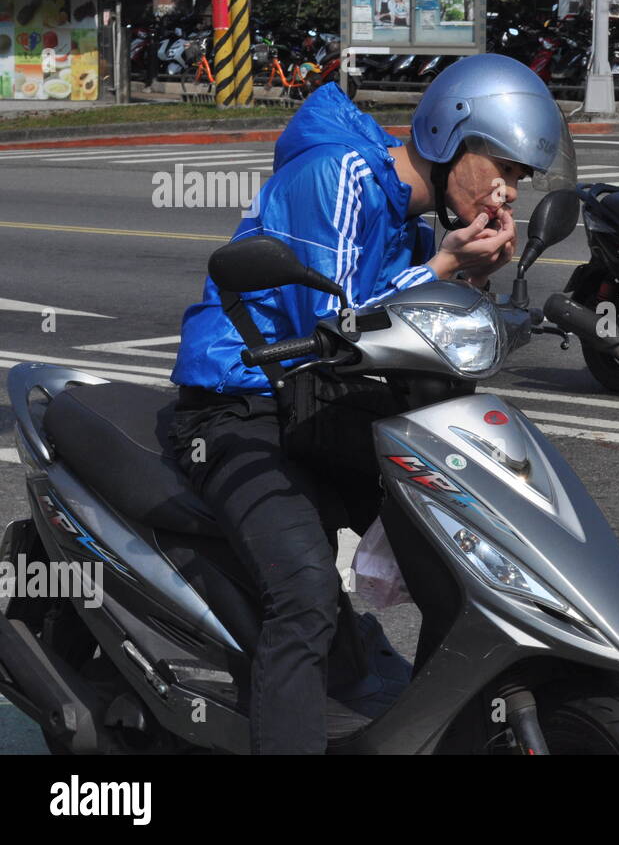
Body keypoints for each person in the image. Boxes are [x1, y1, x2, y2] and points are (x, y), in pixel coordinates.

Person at [167, 54, 575, 754]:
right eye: (502, 169)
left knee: (471, 547)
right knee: (302, 594)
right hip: (241, 403)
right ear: (451, 137)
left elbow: (416, 334)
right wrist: (445, 265)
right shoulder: (341, 176)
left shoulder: (415, 221)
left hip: (326, 404)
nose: (508, 192)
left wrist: (473, 280)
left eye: (519, 179)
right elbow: (334, 325)